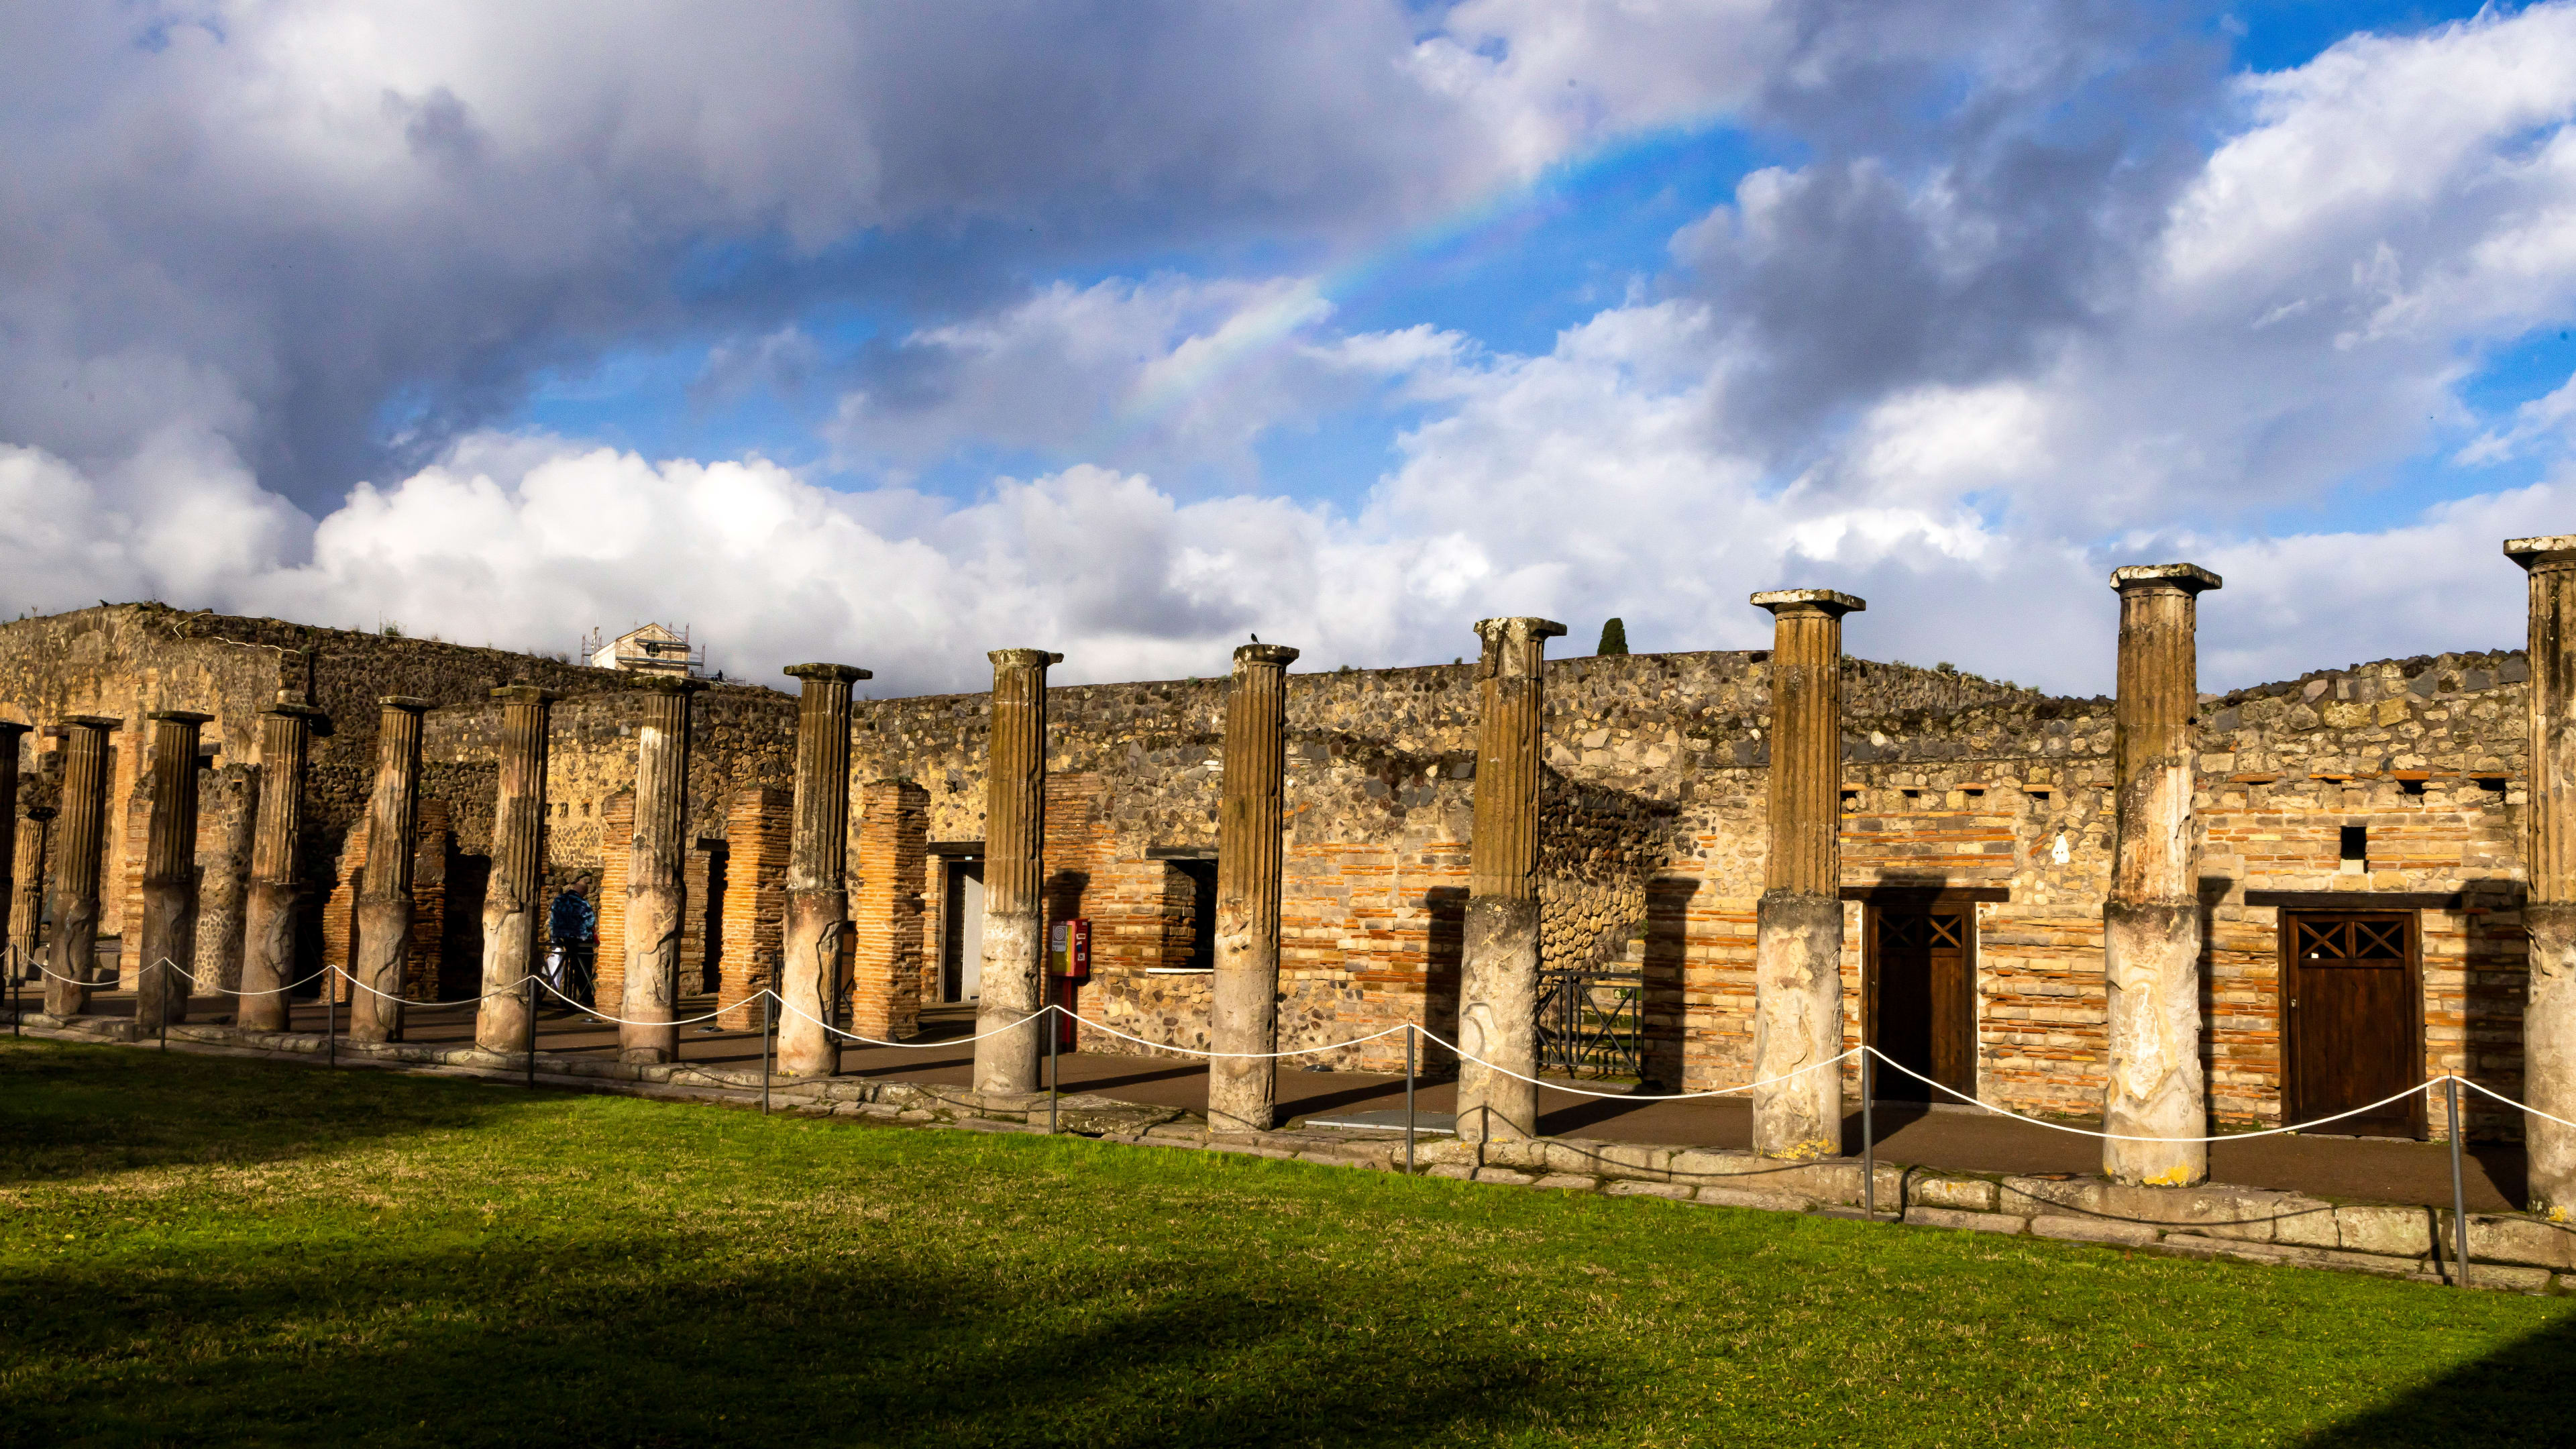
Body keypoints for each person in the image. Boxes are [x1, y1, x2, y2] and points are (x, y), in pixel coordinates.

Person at [546, 877, 598, 1005]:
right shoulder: (581, 903)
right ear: (584, 891)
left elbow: (552, 919)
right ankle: (586, 998)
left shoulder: (558, 900)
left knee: (571, 965)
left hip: (563, 938)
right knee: (584, 968)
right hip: (581, 939)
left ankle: (565, 997)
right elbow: (590, 921)